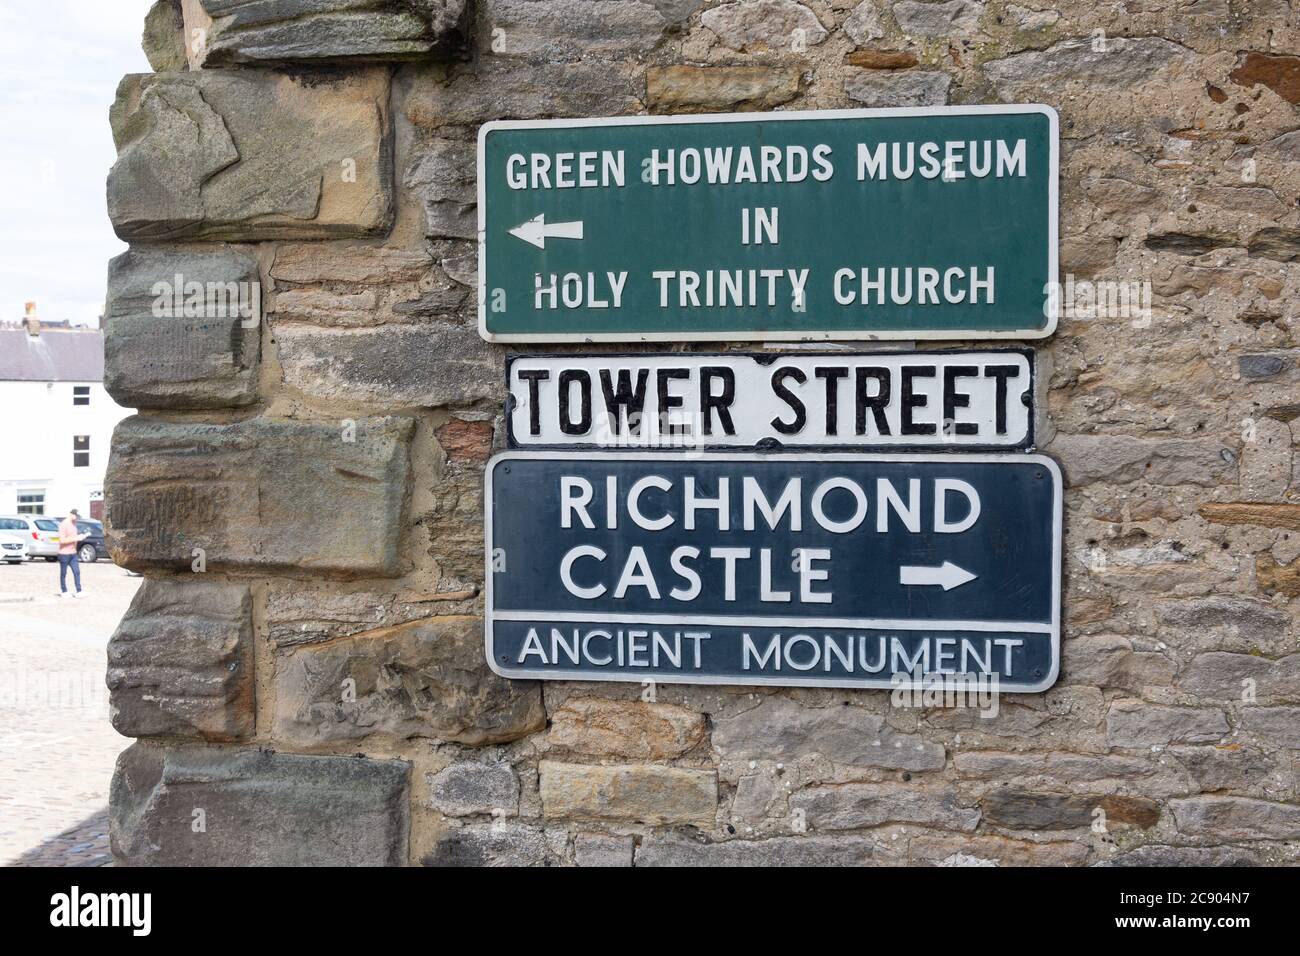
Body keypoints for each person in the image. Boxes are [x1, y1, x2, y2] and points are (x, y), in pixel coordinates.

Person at [56, 509, 88, 598]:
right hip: (64, 554)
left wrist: (81, 537)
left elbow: (73, 537)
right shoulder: (63, 525)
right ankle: (64, 591)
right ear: (71, 514)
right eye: (76, 516)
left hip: (73, 553)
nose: (77, 518)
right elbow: (62, 540)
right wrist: (76, 538)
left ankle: (79, 590)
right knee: (63, 573)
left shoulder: (74, 524)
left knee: (77, 572)